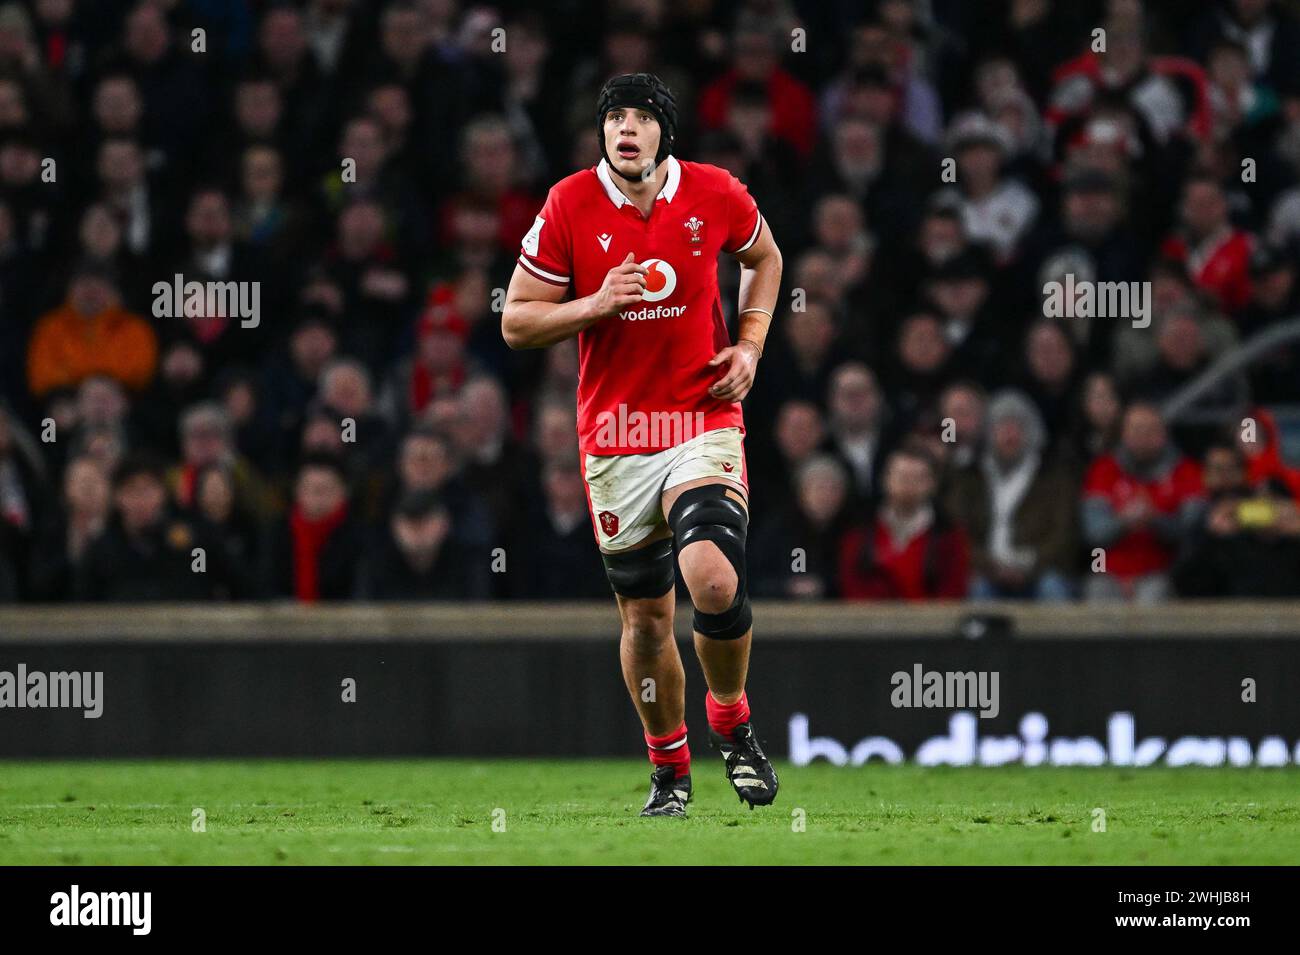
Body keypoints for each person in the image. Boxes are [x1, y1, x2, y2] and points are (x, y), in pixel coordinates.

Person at [502, 74, 784, 817]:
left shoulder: (716, 193)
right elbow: (516, 320)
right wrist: (595, 303)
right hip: (618, 437)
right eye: (614, 117)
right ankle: (670, 769)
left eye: (642, 117)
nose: (626, 129)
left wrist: (750, 345)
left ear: (666, 133)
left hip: (700, 417)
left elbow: (766, 259)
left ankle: (730, 715)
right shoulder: (568, 204)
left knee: (713, 578)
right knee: (647, 620)